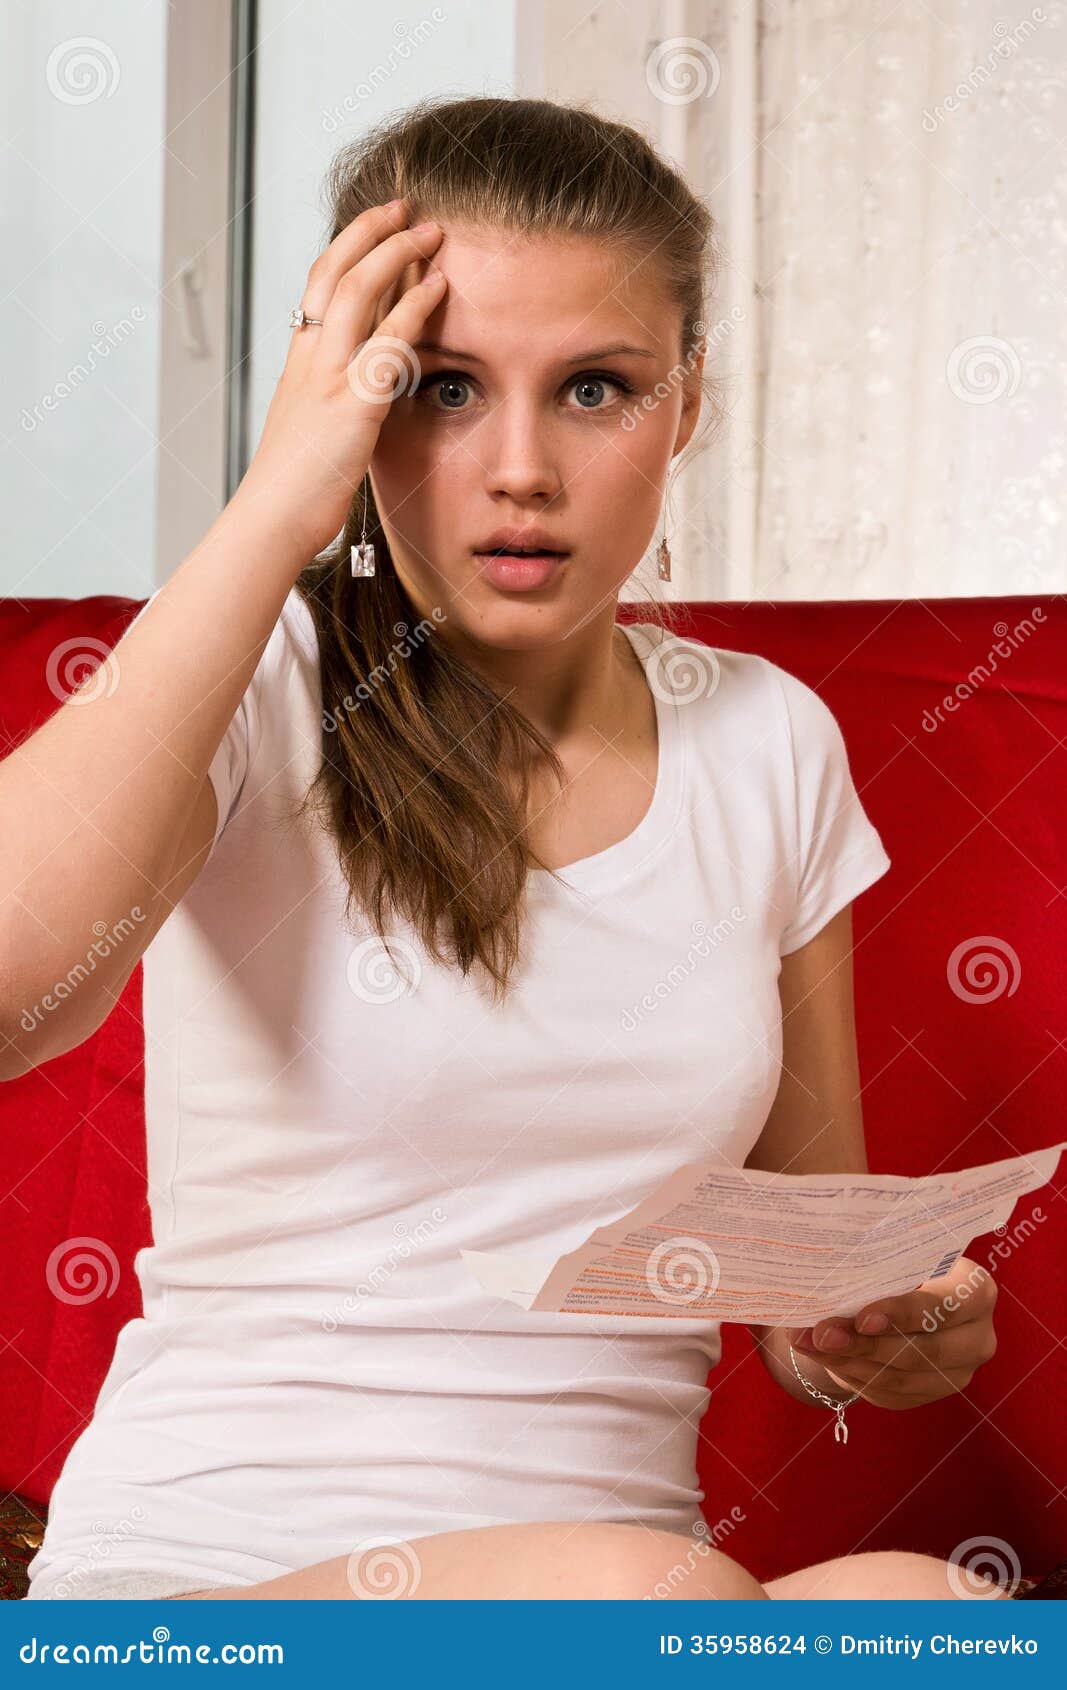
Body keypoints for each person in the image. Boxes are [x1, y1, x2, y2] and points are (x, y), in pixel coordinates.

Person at [5, 96, 1000, 1603]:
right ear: (350, 393)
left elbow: (804, 1276)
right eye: (444, 388)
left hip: (619, 1602)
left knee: (920, 1604)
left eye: (597, 388)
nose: (521, 466)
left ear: (687, 400)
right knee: (651, 1590)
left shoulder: (772, 743)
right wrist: (280, 502)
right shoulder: (261, 684)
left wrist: (873, 1326)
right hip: (210, 1593)